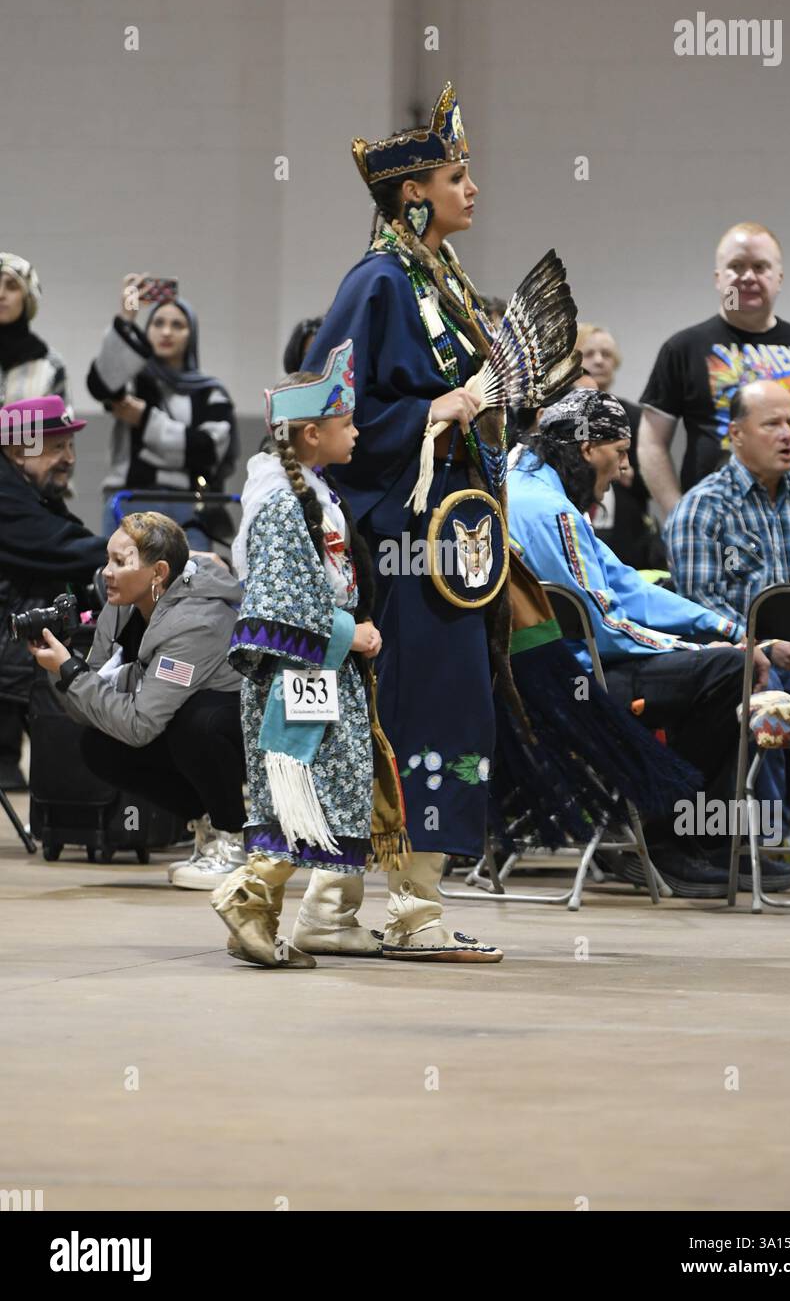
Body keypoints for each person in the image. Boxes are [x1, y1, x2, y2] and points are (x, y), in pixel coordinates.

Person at [298, 81, 504, 960]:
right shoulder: (378, 283)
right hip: (397, 538)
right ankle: (400, 907)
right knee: (411, 709)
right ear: (413, 192)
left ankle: (335, 906)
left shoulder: (441, 281)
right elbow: (311, 408)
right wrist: (438, 408)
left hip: (452, 539)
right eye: (458, 176)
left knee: (442, 708)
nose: (473, 190)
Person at [507, 386, 790, 897]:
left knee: (725, 662)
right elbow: (604, 625)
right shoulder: (547, 510)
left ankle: (713, 841)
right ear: (586, 448)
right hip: (569, 686)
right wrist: (705, 652)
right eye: (620, 453)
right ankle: (673, 840)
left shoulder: (533, 490)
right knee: (726, 675)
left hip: (555, 674)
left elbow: (627, 586)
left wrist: (728, 630)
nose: (624, 470)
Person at [211, 345, 384, 969]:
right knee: (297, 793)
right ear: (312, 433)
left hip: (314, 677)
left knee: (308, 793)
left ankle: (255, 922)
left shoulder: (306, 490)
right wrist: (349, 635)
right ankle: (244, 895)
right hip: (298, 680)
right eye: (348, 423)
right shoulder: (283, 503)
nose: (359, 432)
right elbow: (279, 605)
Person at [28, 511, 246, 890]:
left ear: (159, 572)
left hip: (241, 728)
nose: (106, 572)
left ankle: (235, 842)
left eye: (119, 562)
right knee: (99, 744)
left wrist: (72, 674)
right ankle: (206, 828)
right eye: (107, 559)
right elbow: (90, 700)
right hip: (173, 718)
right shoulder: (121, 599)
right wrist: (61, 669)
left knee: (195, 724)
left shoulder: (196, 621)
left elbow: (141, 725)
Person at [664, 380, 790, 701]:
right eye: (772, 424)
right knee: (763, 690)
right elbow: (700, 604)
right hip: (738, 656)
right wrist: (766, 645)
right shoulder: (701, 507)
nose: (788, 434)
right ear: (737, 433)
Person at [638, 222, 790, 516]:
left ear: (779, 278)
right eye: (736, 266)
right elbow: (651, 442)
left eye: (761, 266)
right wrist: (678, 516)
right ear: (718, 278)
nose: (748, 276)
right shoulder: (683, 348)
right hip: (714, 527)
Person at [0, 396, 105, 791]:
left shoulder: (31, 492)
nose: (70, 458)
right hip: (10, 669)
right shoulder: (6, 498)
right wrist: (143, 550)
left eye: (71, 445)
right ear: (17, 448)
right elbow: (62, 548)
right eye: (56, 446)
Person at [86, 275, 238, 548]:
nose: (166, 332)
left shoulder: (210, 392)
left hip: (189, 509)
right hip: (129, 504)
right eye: (158, 323)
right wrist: (127, 316)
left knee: (192, 588)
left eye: (177, 325)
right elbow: (101, 384)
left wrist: (145, 420)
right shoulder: (131, 380)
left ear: (191, 334)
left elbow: (207, 450)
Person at [576, 323, 665, 569]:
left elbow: (651, 481)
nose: (599, 361)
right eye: (590, 353)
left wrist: (627, 472)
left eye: (606, 354)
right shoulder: (561, 414)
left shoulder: (634, 415)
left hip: (626, 532)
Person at [0, 253, 67, 407]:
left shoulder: (50, 364)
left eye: (11, 286)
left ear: (27, 297)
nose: (1, 294)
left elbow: (63, 428)